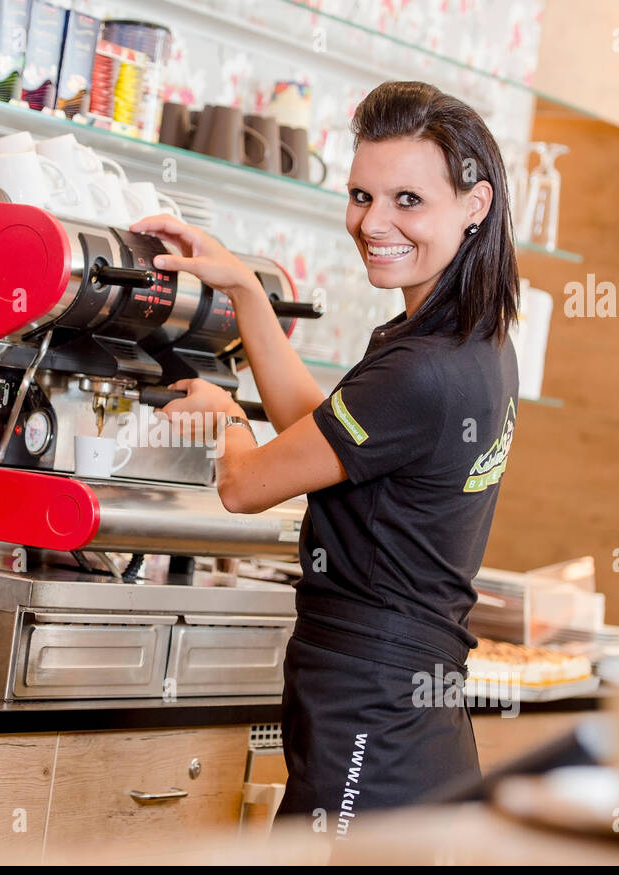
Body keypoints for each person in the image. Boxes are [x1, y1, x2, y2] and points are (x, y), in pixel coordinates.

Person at [129, 80, 519, 836]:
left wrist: (224, 418)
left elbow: (244, 487)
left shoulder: (420, 371)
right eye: (361, 196)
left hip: (370, 705)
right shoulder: (473, 344)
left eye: (409, 200)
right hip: (410, 710)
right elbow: (327, 434)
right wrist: (245, 288)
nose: (375, 223)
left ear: (475, 205)